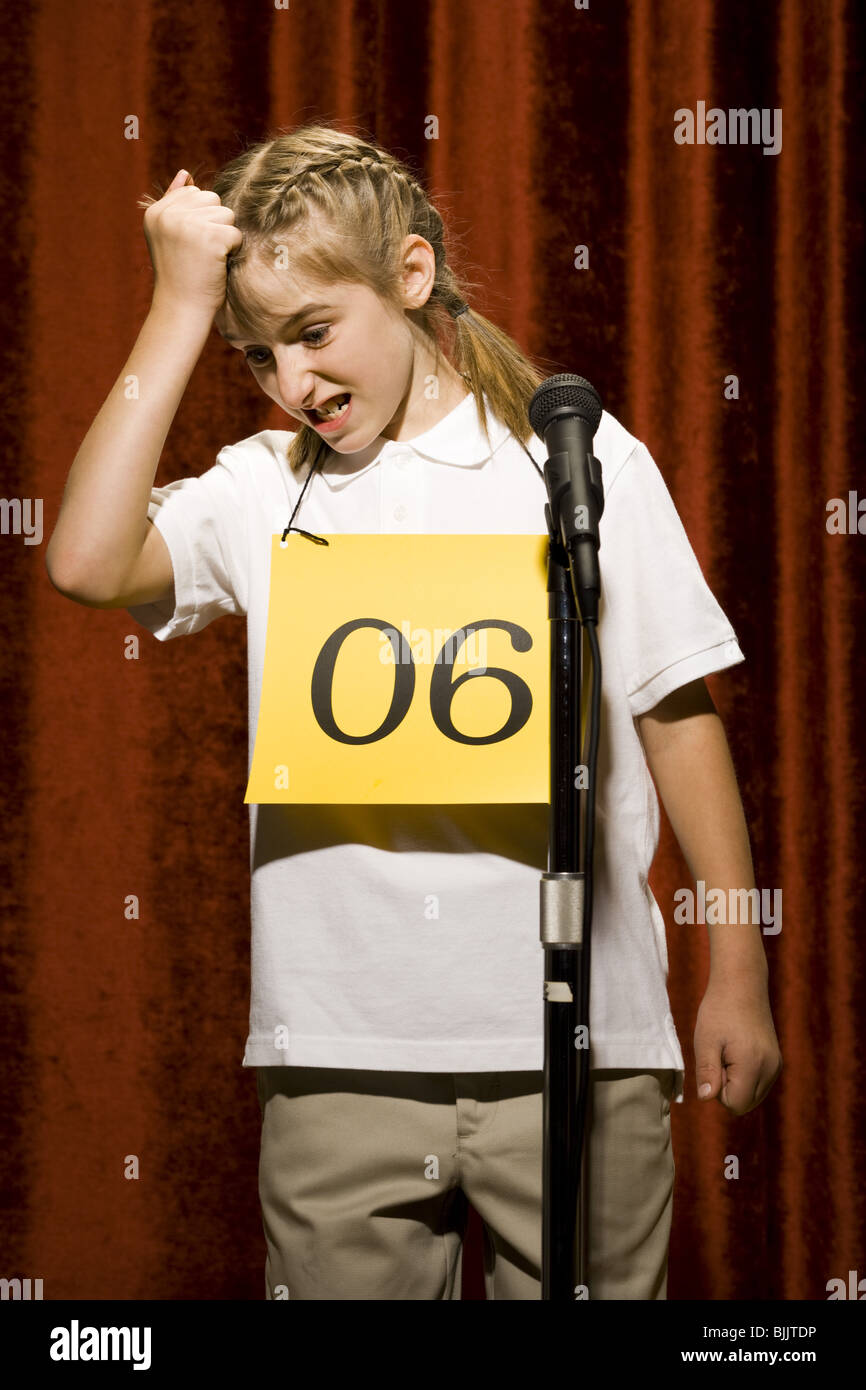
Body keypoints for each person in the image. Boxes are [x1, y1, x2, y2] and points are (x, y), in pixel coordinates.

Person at [45, 122, 782, 1301]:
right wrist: (180, 309)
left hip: (579, 1045)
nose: (293, 383)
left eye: (314, 333)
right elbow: (82, 559)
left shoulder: (574, 464)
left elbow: (675, 710)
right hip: (337, 1055)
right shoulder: (259, 486)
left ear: (412, 278)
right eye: (256, 356)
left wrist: (735, 964)